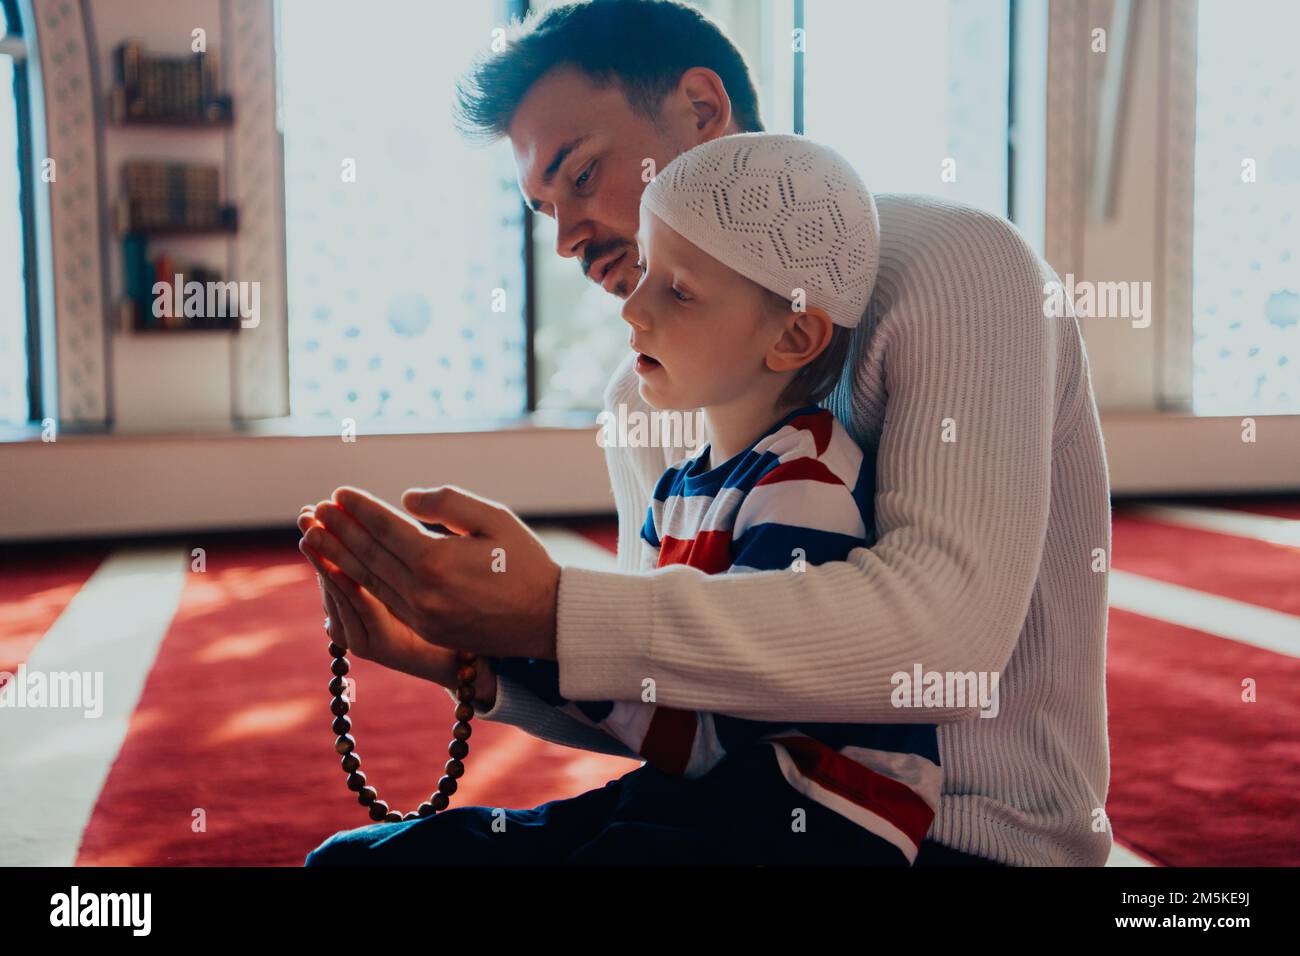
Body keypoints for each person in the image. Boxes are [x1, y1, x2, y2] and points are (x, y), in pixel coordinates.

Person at [300, 0, 1112, 867]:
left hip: (954, 843)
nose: (569, 236)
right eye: (545, 210)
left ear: (700, 108)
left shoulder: (957, 264)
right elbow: (689, 702)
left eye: (581, 175)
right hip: (711, 811)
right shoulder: (640, 392)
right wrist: (476, 654)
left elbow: (948, 635)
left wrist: (558, 611)